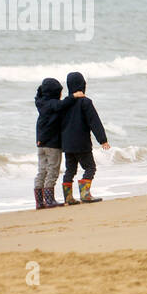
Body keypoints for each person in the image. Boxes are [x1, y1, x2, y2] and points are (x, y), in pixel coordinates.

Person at [60, 71, 110, 204]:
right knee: (90, 167)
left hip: (67, 145)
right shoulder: (85, 102)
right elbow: (94, 122)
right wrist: (103, 139)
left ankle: (68, 197)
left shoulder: (64, 104)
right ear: (83, 85)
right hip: (81, 143)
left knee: (70, 170)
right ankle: (85, 194)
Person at [33, 78, 82, 209]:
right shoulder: (52, 104)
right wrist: (73, 96)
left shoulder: (40, 102)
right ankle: (49, 200)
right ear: (55, 94)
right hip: (52, 144)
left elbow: (38, 95)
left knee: (42, 171)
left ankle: (39, 202)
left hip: (41, 144)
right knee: (52, 171)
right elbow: (62, 104)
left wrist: (40, 89)